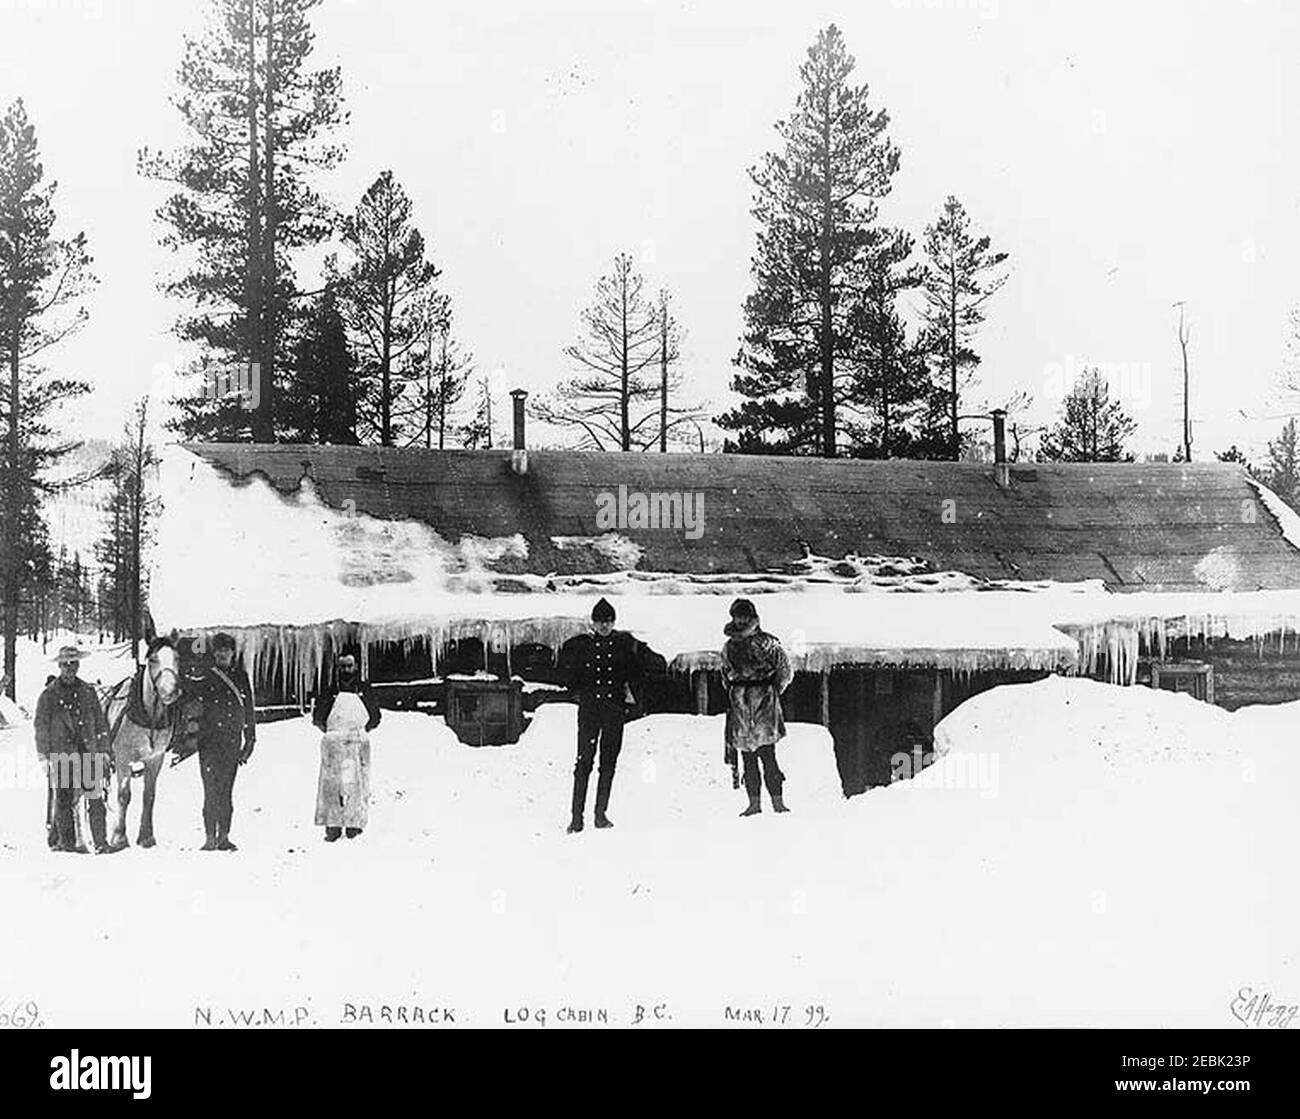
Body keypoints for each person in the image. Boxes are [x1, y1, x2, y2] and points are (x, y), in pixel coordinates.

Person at [558, 597, 653, 834]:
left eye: (608, 621)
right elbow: (570, 676)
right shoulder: (583, 647)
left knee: (608, 764)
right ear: (593, 622)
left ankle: (600, 815)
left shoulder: (623, 647)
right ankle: (576, 818)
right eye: (600, 621)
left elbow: (638, 674)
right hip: (590, 712)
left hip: (613, 713)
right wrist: (578, 692)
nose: (604, 626)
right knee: (583, 764)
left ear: (614, 622)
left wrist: (630, 697)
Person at [34, 647, 113, 853]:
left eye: (74, 664)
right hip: (61, 755)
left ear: (78, 665)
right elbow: (41, 727)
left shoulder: (88, 691)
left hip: (87, 753)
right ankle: (67, 844)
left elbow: (100, 722)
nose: (70, 668)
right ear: (59, 666)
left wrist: (104, 750)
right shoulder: (49, 695)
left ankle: (101, 843)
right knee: (63, 800)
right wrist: (43, 756)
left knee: (95, 800)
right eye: (66, 664)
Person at [721, 598, 794, 817]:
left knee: (768, 755)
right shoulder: (728, 646)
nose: (740, 620)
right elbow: (725, 674)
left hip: (764, 705)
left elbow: (785, 672)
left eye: (744, 616)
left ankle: (778, 802)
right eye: (737, 616)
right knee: (747, 758)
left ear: (753, 618)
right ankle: (754, 804)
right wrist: (737, 696)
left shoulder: (768, 643)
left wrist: (769, 694)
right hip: (740, 707)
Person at [196, 632, 256, 851]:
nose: (222, 653)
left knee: (226, 791)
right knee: (210, 791)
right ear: (214, 653)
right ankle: (210, 837)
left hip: (231, 743)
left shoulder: (240, 677)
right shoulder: (206, 676)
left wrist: (250, 742)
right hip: (209, 743)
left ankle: (224, 836)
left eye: (226, 650)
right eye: (219, 650)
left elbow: (249, 709)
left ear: (232, 653)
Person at [312, 650, 381, 842]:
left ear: (356, 667)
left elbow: (375, 717)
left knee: (355, 784)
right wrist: (333, 733)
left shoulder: (364, 689)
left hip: (357, 743)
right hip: (334, 744)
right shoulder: (329, 690)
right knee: (332, 784)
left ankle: (353, 825)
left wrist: (360, 731)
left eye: (349, 665)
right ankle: (332, 826)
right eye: (342, 666)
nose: (346, 669)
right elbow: (318, 718)